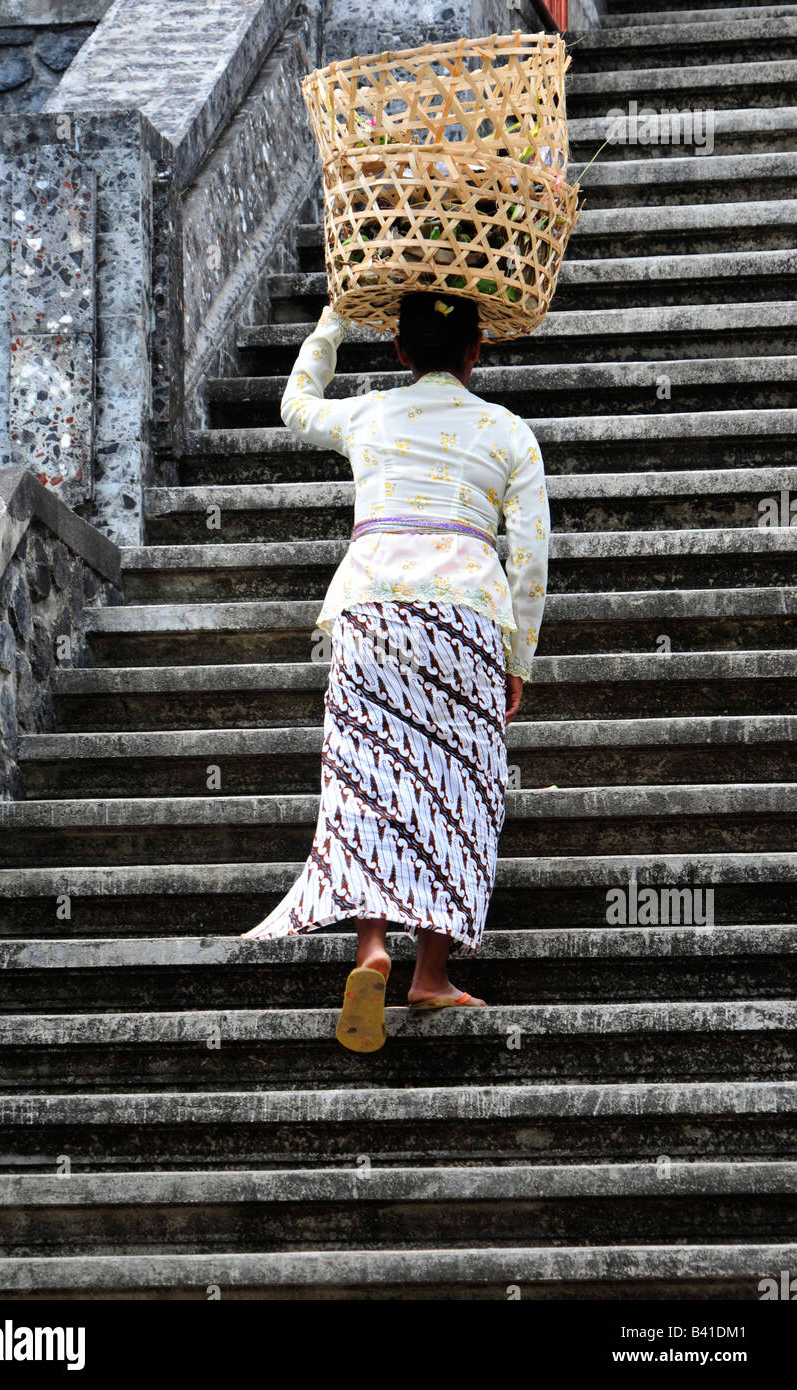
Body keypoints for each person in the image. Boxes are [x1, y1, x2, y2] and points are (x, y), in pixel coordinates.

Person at [241, 291, 549, 1053]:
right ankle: (429, 973)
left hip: (371, 610)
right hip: (464, 617)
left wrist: (331, 323)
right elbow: (531, 557)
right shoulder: (507, 433)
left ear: (401, 351)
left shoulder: (370, 413)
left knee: (369, 776)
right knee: (454, 784)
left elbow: (294, 406)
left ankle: (369, 945)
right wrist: (519, 659)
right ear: (476, 350)